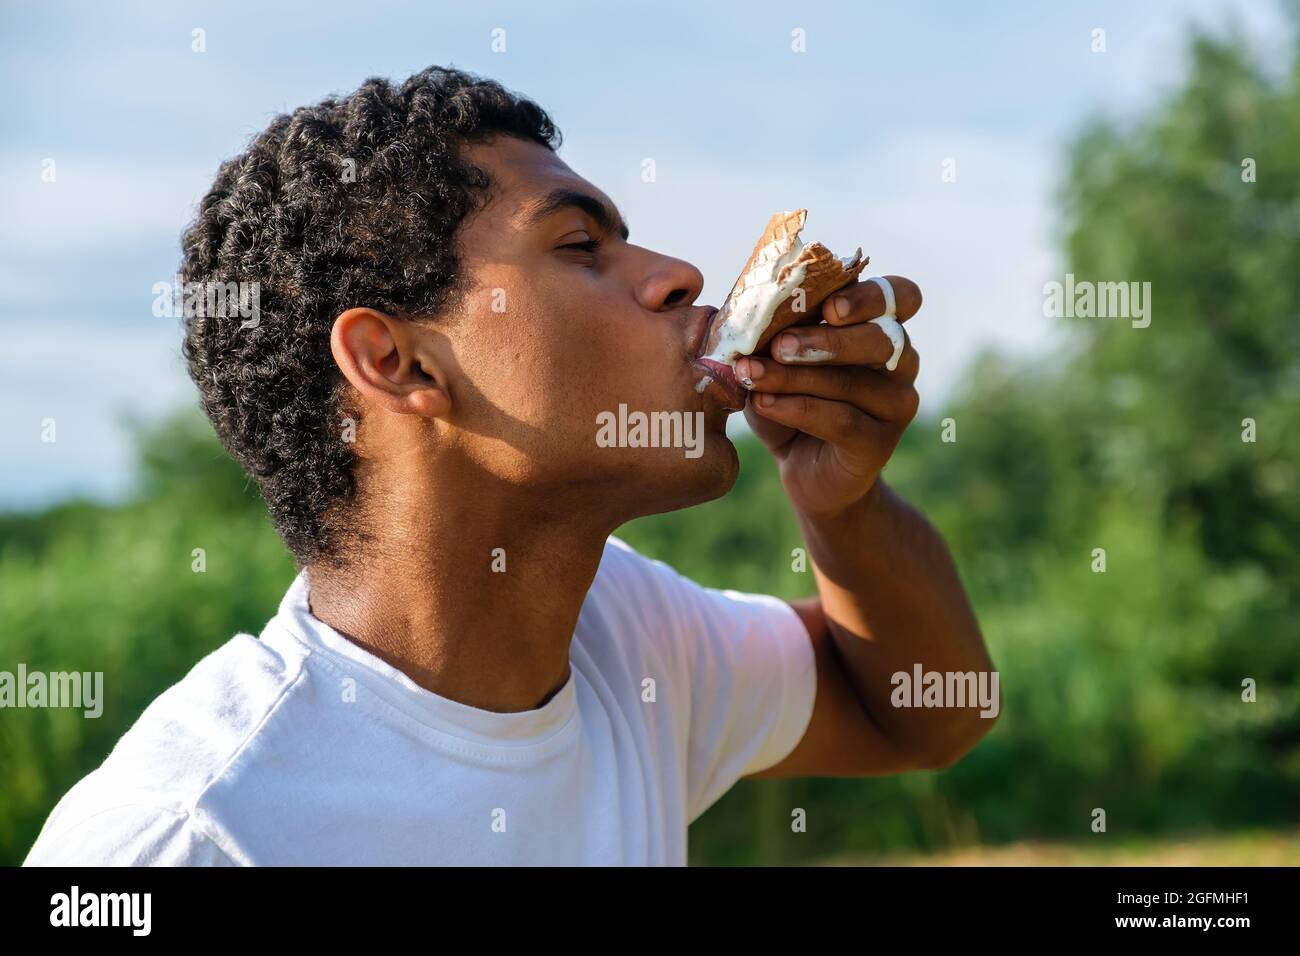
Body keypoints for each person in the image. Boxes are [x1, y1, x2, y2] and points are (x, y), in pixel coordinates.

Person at [25, 66, 995, 866]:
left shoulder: (631, 641)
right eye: (578, 244)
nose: (679, 274)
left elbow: (923, 712)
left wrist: (843, 504)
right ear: (397, 361)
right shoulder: (190, 838)